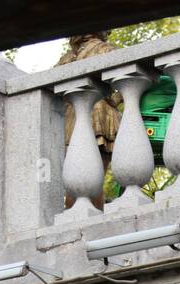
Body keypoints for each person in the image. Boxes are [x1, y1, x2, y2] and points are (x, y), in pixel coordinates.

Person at [56, 33, 121, 209]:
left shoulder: (102, 49)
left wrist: (110, 98)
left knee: (89, 179)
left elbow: (122, 85)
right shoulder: (68, 57)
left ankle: (88, 221)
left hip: (98, 119)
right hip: (73, 121)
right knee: (80, 180)